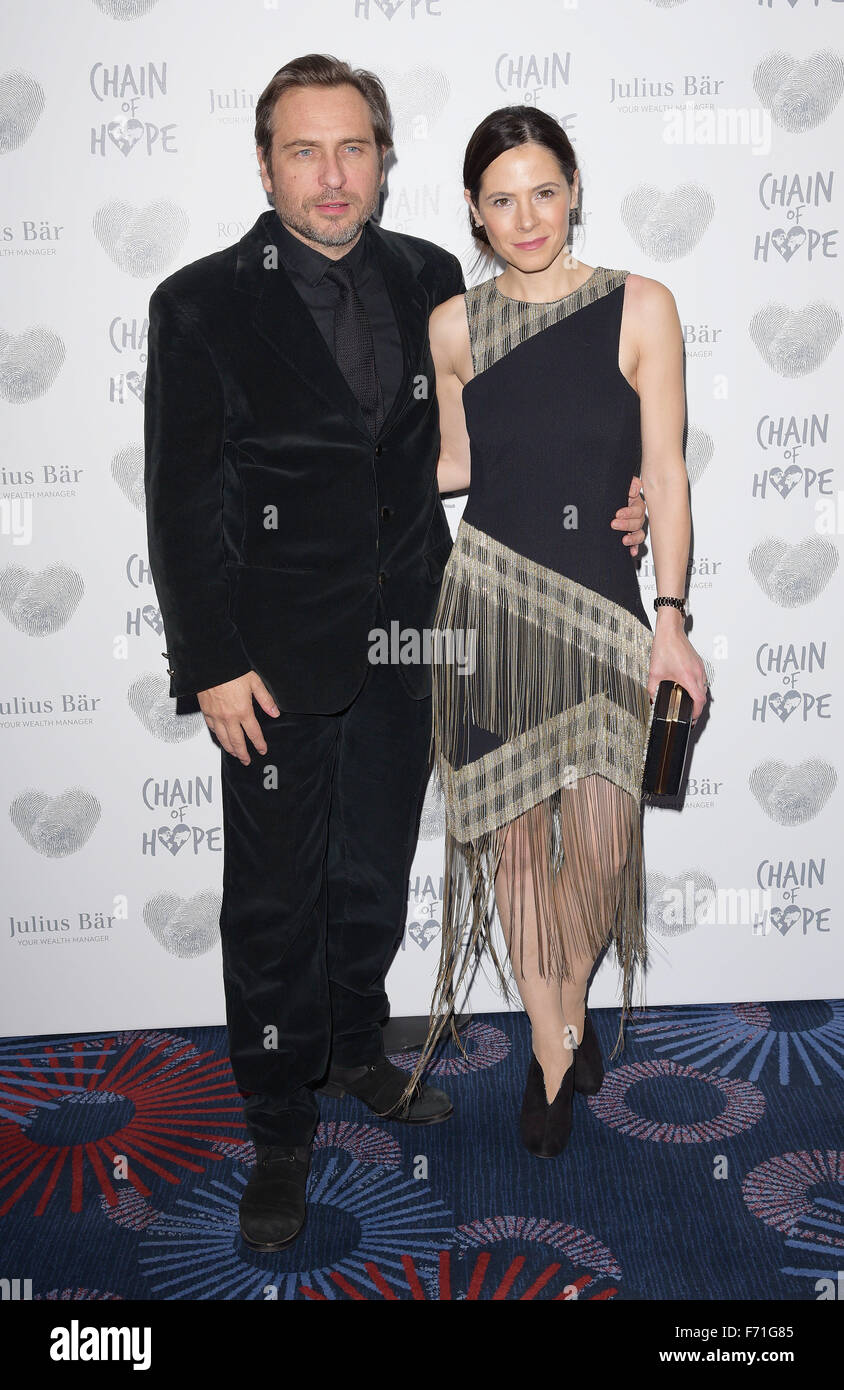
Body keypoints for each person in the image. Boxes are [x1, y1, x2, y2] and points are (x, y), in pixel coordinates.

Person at [144, 57, 648, 1253]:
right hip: (268, 657)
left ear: (382, 159)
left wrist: (617, 494)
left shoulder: (433, 278)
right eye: (305, 151)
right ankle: (277, 1125)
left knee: (372, 872)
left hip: (417, 634)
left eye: (354, 148)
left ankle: (356, 1052)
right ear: (264, 164)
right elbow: (181, 500)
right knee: (272, 902)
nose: (332, 175)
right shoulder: (201, 302)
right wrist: (210, 660)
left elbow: (507, 437)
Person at [408, 106, 708, 1158]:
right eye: (500, 199)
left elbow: (664, 472)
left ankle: (562, 1011)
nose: (525, 217)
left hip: (599, 614)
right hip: (486, 609)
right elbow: (454, 465)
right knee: (515, 862)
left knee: (597, 846)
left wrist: (669, 618)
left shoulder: (640, 306)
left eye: (543, 190)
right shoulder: (453, 326)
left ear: (573, 187)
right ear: (474, 212)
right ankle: (551, 1051)